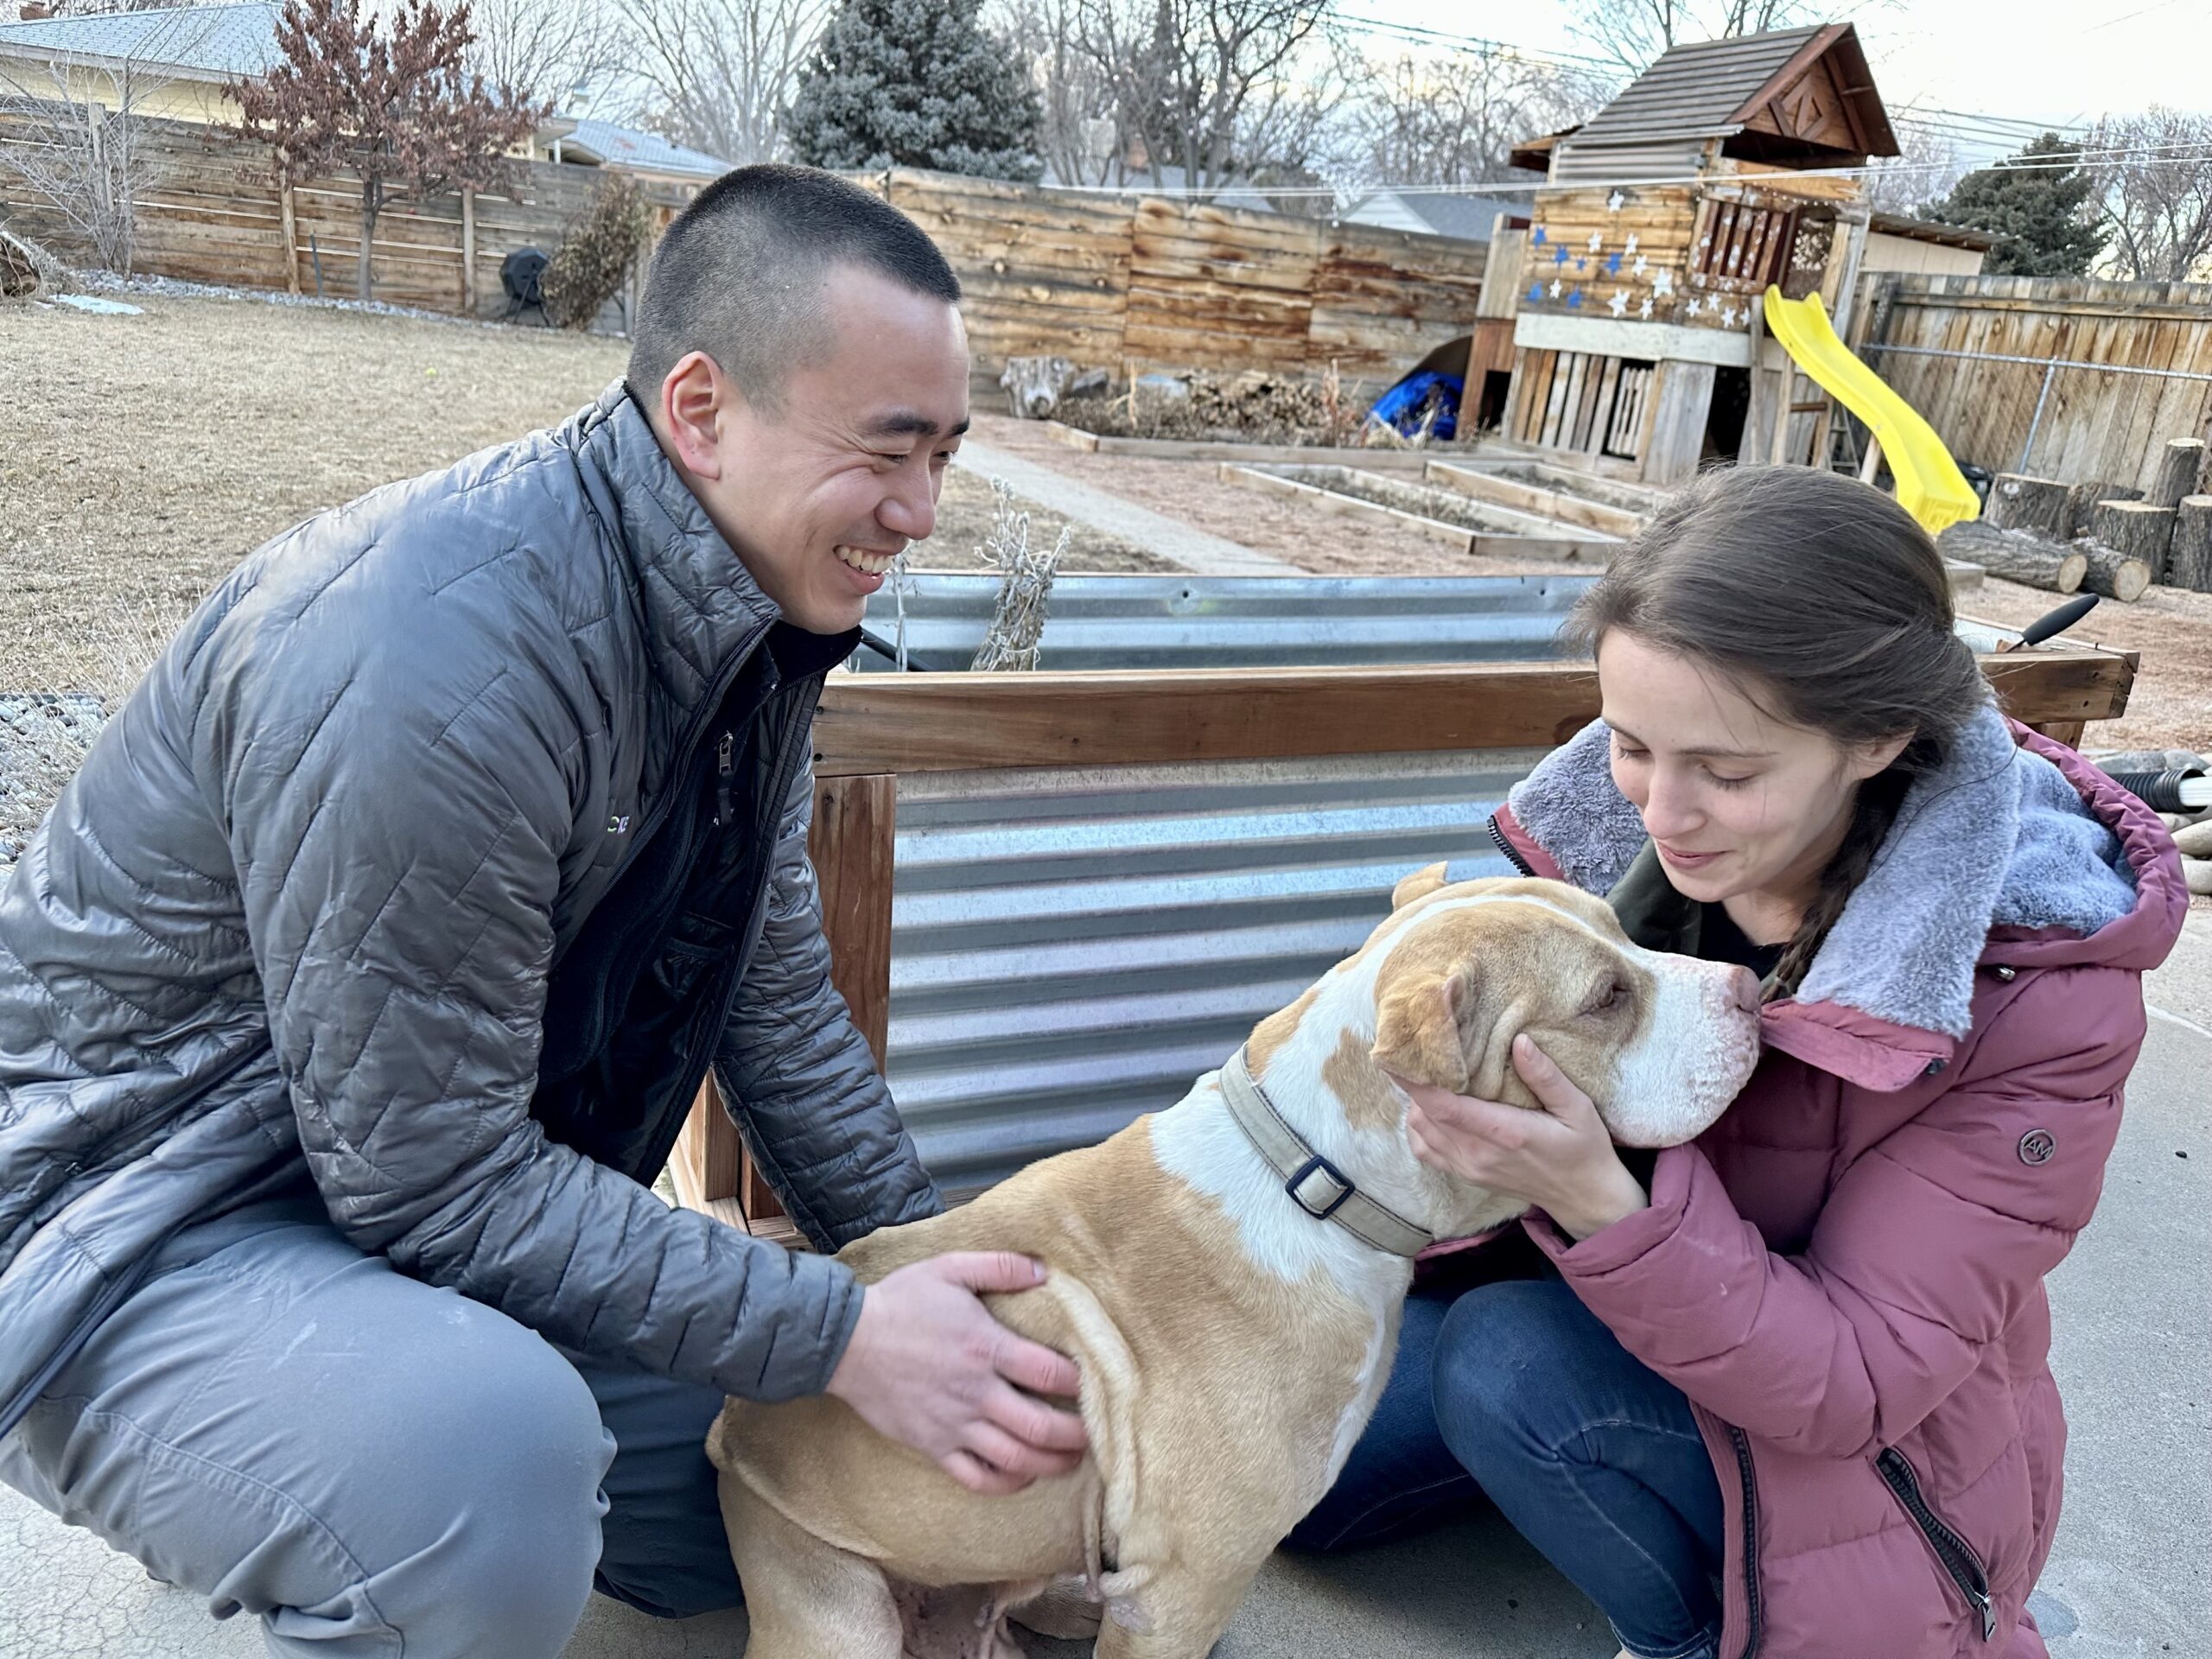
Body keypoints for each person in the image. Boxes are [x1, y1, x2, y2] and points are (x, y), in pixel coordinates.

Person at [0, 164, 1085, 1657]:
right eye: (889, 451)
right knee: (487, 1473)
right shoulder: (434, 656)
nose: (923, 512)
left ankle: (322, 1443)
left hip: (381, 1197)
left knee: (828, 1481)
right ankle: (301, 1457)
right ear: (700, 410)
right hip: (132, 1217)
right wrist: (838, 1331)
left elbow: (774, 1014)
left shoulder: (743, 632)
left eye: (948, 456)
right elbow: (434, 1181)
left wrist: (929, 1292)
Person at [1290, 465, 2184, 1659]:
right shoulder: (1613, 858)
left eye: (1729, 770)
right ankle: (1594, 1455)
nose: (1663, 811)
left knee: (1503, 1364)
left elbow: (1857, 1382)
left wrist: (1597, 1194)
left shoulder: (2037, 999)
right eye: (1630, 745)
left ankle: (1691, 1631)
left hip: (1870, 1458)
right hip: (1645, 1309)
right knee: (1304, 1480)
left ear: (1877, 737)